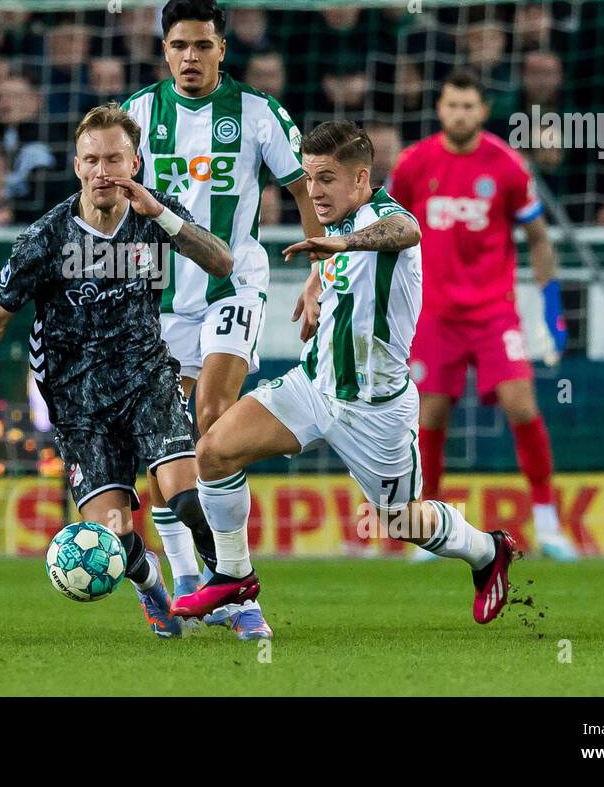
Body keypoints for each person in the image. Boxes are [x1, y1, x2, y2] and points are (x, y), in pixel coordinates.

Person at [173, 121, 516, 627]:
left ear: (361, 178)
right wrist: (315, 281)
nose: (313, 191)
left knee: (402, 521)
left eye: (326, 179)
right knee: (214, 451)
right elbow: (336, 255)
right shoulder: (336, 223)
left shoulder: (385, 219)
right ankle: (233, 574)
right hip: (314, 386)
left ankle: (488, 550)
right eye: (309, 178)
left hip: (374, 407)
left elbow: (406, 230)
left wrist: (343, 246)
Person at [0, 103, 235, 640]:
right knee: (112, 536)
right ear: (77, 167)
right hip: (78, 403)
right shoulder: (46, 238)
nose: (102, 171)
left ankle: (233, 590)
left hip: (147, 381)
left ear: (134, 163)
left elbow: (222, 263)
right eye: (91, 160)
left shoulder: (153, 214)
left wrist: (163, 216)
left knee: (187, 497)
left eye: (113, 159)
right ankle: (150, 585)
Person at [121, 0, 321, 639]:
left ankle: (232, 582)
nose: (189, 57)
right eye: (178, 45)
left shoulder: (258, 114)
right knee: (169, 439)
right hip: (158, 298)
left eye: (202, 45)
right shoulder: (139, 115)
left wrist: (321, 271)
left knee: (211, 418)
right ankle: (193, 576)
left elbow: (304, 189)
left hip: (234, 284)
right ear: (164, 50)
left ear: (222, 50)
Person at [389, 70, 577, 560]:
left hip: (495, 312)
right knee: (428, 415)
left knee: (522, 405)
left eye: (469, 106)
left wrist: (553, 309)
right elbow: (384, 229)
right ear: (439, 107)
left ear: (483, 111)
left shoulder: (508, 166)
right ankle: (428, 525)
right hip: (433, 314)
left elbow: (538, 238)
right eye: (452, 105)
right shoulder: (413, 165)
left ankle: (546, 520)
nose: (460, 114)